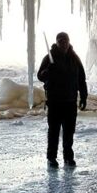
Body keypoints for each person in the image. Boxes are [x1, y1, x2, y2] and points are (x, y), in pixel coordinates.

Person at [37, 32, 88, 168]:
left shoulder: (75, 58)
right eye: (60, 41)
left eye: (65, 40)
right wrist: (48, 70)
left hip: (70, 101)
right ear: (57, 43)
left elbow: (81, 79)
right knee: (53, 132)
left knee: (69, 132)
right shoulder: (49, 58)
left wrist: (83, 96)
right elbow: (40, 76)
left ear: (69, 41)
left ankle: (68, 158)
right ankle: (51, 158)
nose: (63, 43)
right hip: (54, 102)